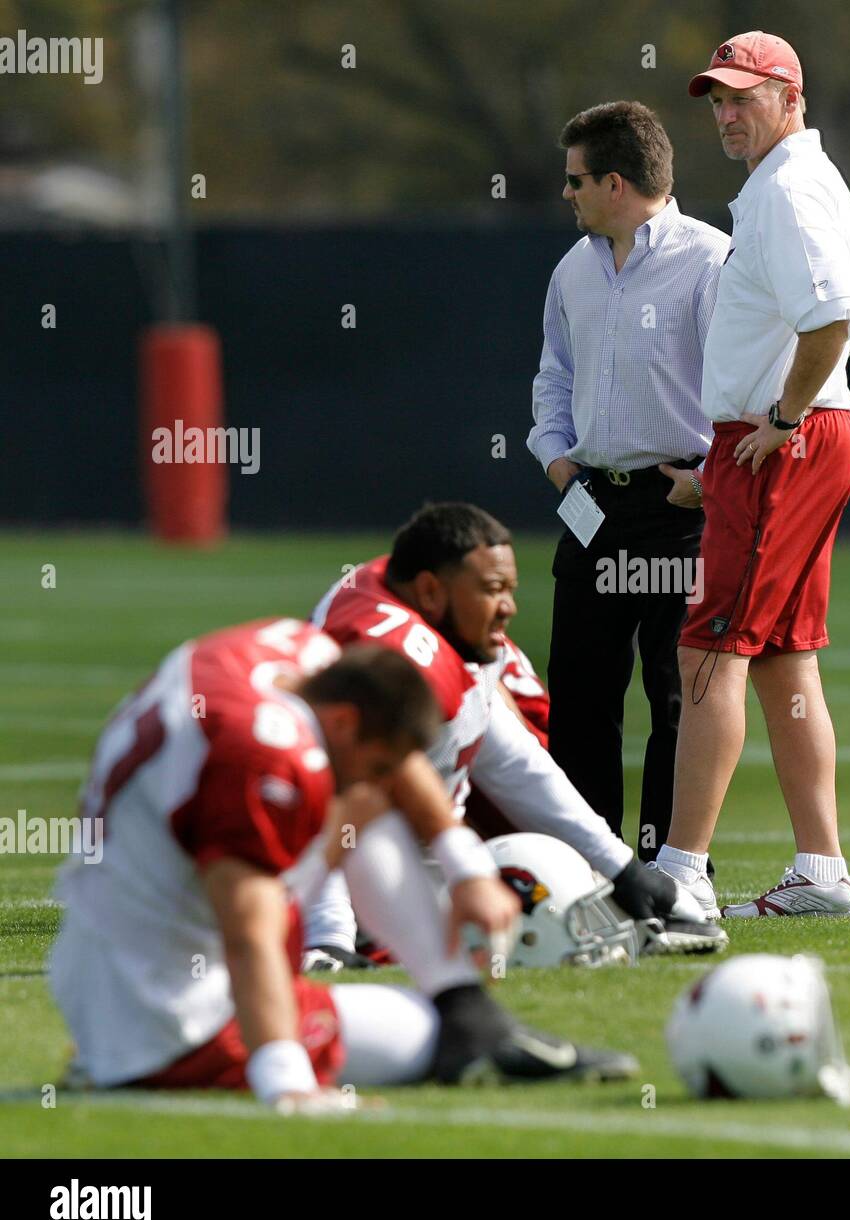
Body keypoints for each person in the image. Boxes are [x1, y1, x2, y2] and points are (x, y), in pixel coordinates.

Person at [50, 617, 636, 1110]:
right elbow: (249, 931)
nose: (383, 780)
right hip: (171, 1012)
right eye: (377, 761)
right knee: (420, 1037)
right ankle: (137, 1058)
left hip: (112, 959)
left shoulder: (300, 654)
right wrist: (287, 1082)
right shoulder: (261, 758)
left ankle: (467, 1010)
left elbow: (391, 760)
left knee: (365, 797)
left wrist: (466, 869)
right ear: (343, 722)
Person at [649, 32, 850, 919]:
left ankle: (680, 873)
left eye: (743, 97)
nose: (726, 114)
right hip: (795, 437)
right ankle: (822, 873)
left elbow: (831, 312)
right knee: (786, 661)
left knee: (707, 650)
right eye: (716, 99)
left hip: (787, 439)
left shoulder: (786, 188)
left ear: (790, 96)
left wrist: (782, 415)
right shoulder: (799, 182)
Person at [303, 501, 726, 964]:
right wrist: (330, 937)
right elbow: (329, 807)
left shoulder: (430, 618)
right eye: (491, 590)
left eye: (509, 588)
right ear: (429, 590)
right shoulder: (395, 666)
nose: (509, 607)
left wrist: (623, 868)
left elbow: (509, 756)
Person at [528, 100, 729, 862]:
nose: (567, 193)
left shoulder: (710, 260)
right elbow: (553, 378)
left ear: (615, 182)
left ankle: (668, 866)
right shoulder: (572, 269)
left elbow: (742, 387)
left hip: (680, 507)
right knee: (578, 696)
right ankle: (589, 865)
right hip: (590, 503)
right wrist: (556, 461)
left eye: (575, 180)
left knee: (676, 698)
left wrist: (705, 481)